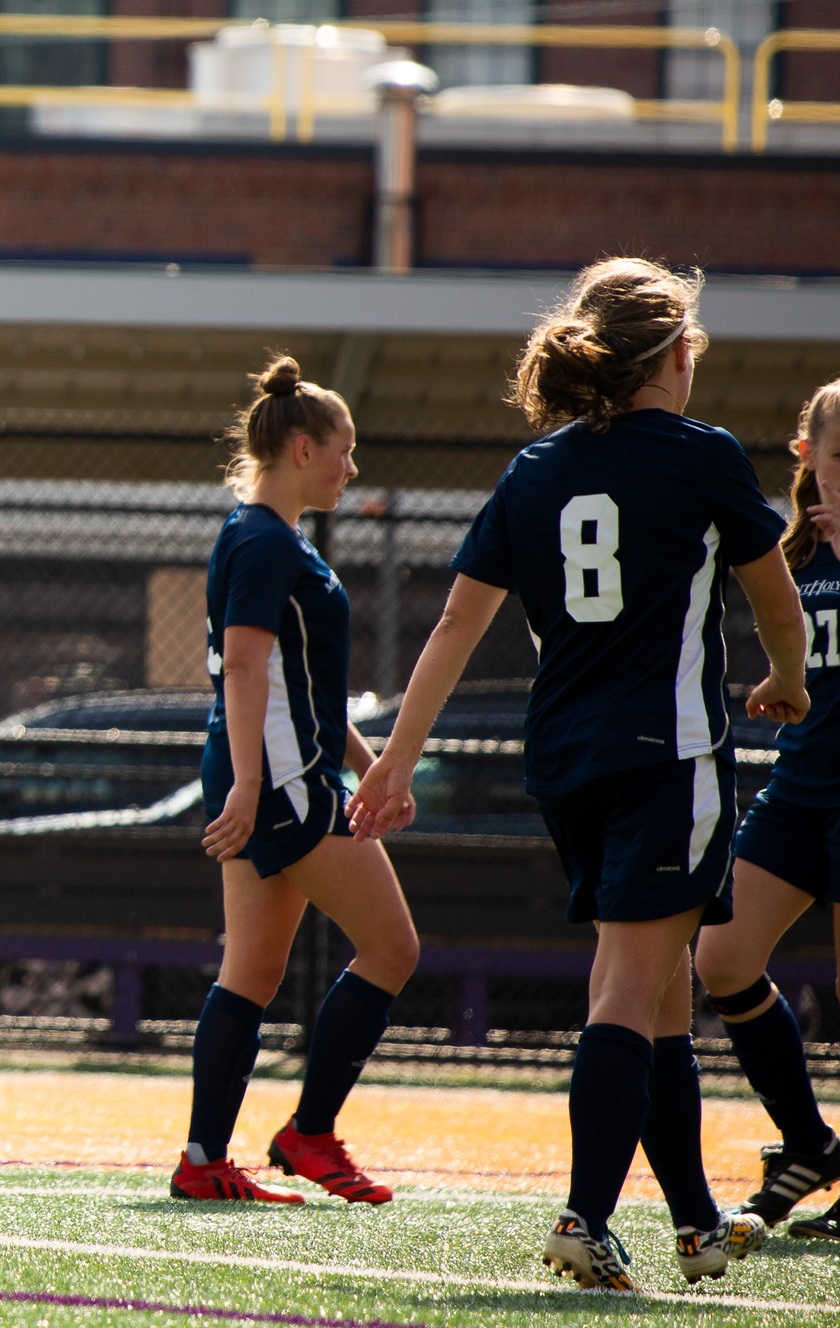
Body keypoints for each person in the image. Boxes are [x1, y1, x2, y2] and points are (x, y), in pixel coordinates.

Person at [351, 259, 800, 1289]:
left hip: (563, 759)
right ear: (675, 353)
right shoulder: (702, 454)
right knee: (628, 984)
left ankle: (692, 1220)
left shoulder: (533, 467)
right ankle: (584, 1215)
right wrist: (786, 679)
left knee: (660, 991)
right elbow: (775, 598)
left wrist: (397, 758)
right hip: (665, 754)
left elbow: (455, 622)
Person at [168, 358, 419, 1208]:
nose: (351, 466)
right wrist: (249, 784)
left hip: (275, 771)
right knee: (392, 949)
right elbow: (243, 666)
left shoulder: (270, 534)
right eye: (342, 450)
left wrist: (370, 764)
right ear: (302, 448)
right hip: (280, 780)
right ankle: (308, 1132)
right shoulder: (264, 539)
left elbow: (298, 683)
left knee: (250, 970)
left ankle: (204, 1157)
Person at [694, 376, 840, 1236]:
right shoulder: (788, 552)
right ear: (806, 456)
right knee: (720, 957)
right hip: (799, 787)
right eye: (839, 456)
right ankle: (808, 1140)